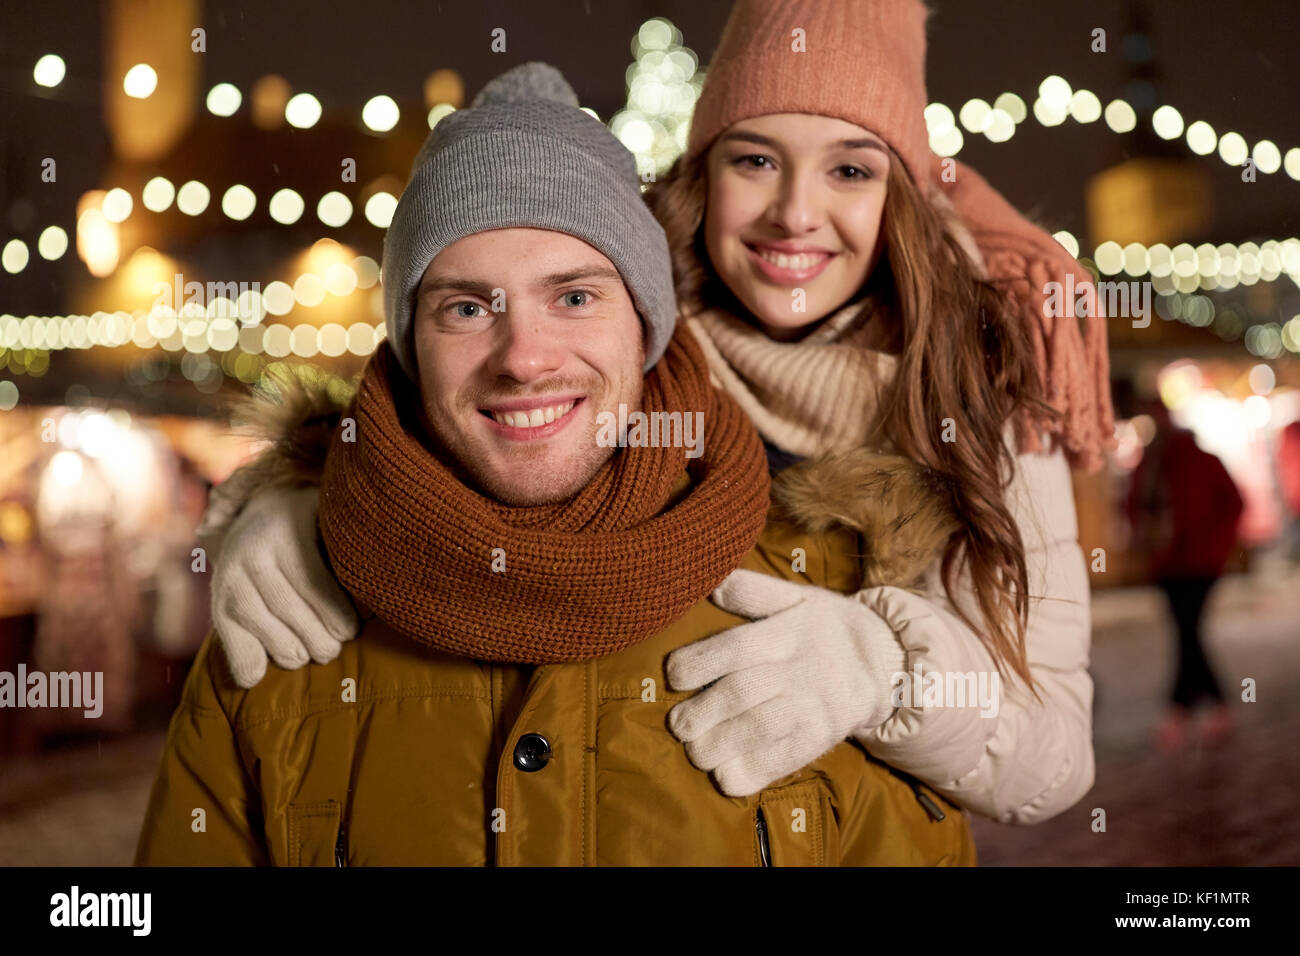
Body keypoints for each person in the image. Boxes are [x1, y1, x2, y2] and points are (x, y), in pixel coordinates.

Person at [201, 0, 1112, 826]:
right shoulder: (620, 315)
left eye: (850, 170)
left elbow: (1053, 758)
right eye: (755, 160)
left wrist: (887, 671)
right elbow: (446, 390)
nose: (796, 213)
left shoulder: (979, 383)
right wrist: (305, 500)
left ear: (900, 194)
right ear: (702, 171)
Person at [1127, 398, 1243, 751]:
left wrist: (1211, 543)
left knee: (1188, 632)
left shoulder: (1199, 461)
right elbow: (1133, 505)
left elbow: (1233, 504)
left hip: (1200, 563)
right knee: (1187, 633)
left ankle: (1181, 709)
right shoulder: (1149, 465)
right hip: (1168, 564)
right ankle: (1206, 706)